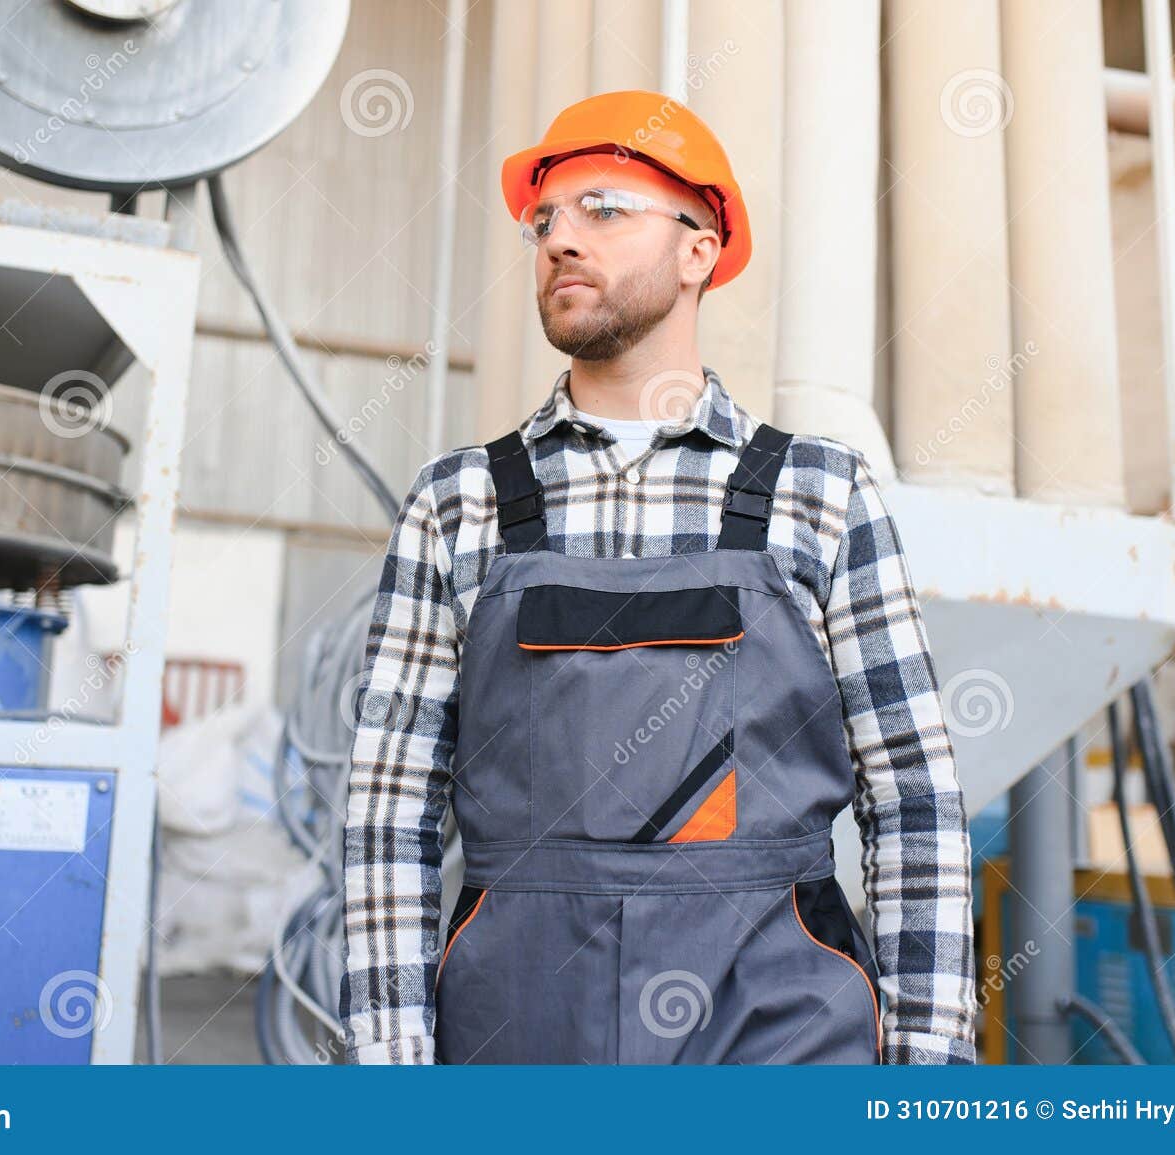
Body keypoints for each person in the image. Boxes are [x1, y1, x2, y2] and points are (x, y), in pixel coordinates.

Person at [339, 90, 976, 1064]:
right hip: (518, 1028)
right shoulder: (456, 504)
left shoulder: (821, 496)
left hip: (776, 1032)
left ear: (698, 249)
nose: (558, 241)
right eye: (543, 220)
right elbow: (388, 808)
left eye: (602, 210)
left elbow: (913, 797)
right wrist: (387, 1068)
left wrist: (928, 1077)